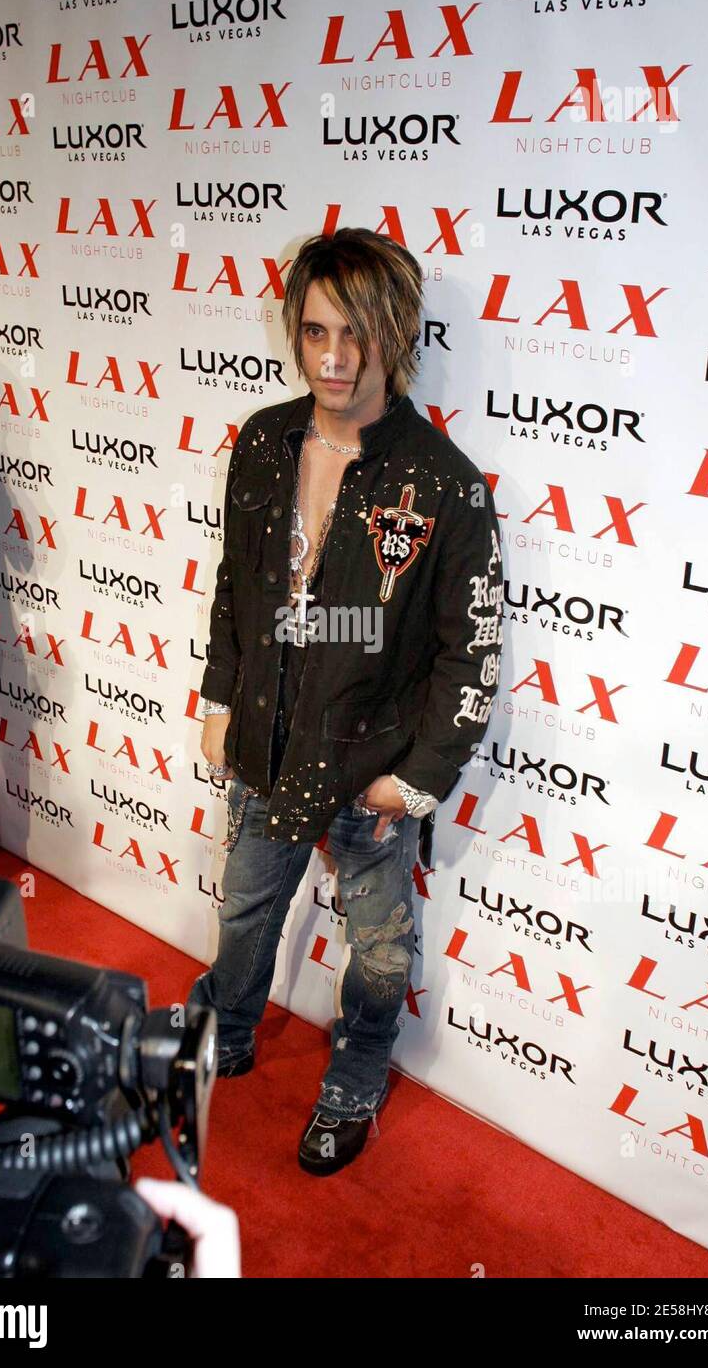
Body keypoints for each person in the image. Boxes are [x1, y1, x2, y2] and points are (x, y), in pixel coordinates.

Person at [190, 227, 503, 1175]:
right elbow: (238, 586)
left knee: (376, 952)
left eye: (354, 336)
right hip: (265, 744)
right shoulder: (262, 439)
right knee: (244, 914)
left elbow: (472, 651)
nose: (332, 358)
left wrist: (416, 783)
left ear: (396, 334)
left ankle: (358, 1071)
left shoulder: (445, 483)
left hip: (372, 767)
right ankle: (227, 1028)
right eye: (316, 332)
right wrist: (220, 694)